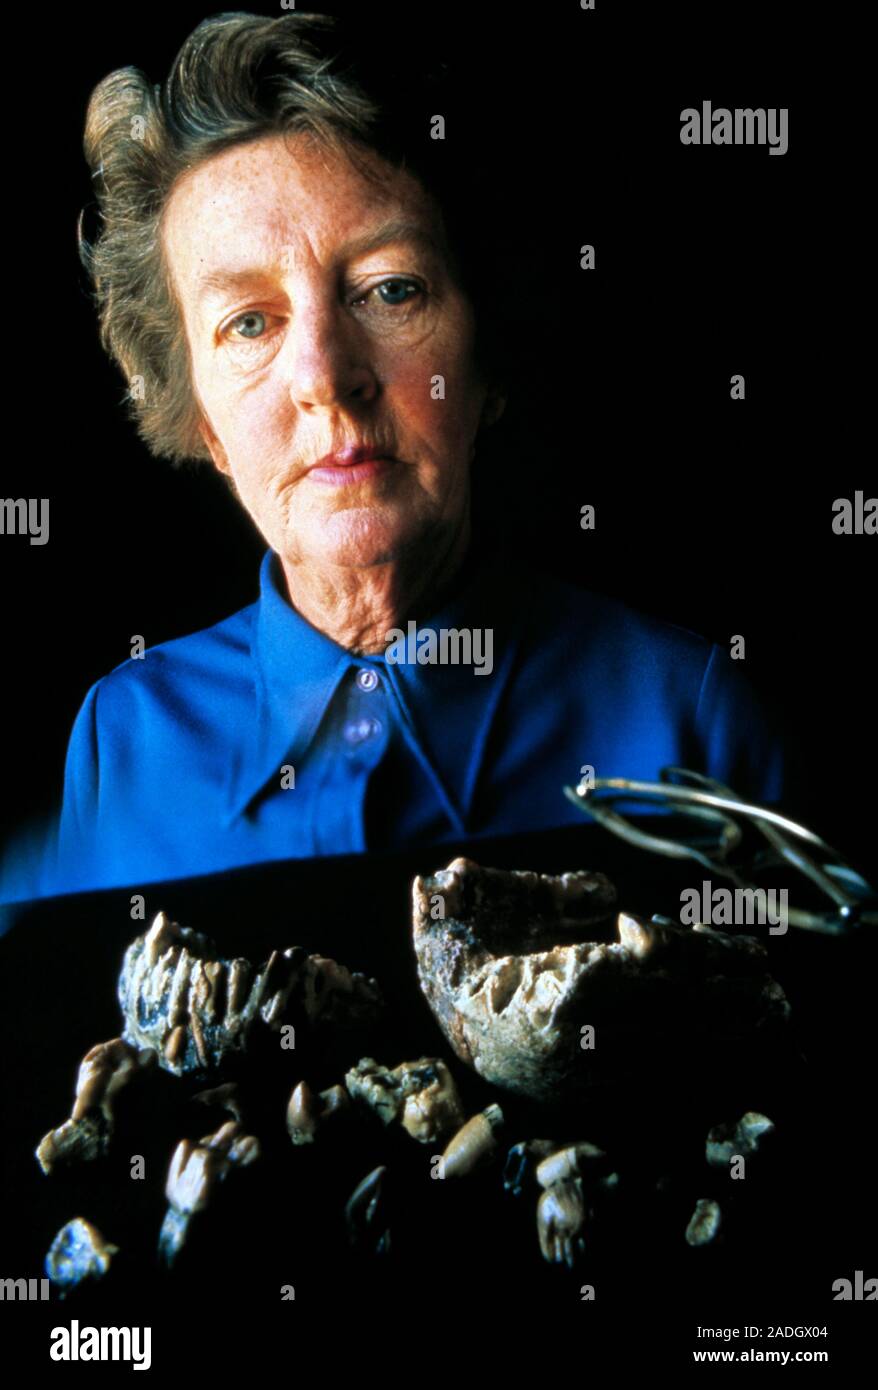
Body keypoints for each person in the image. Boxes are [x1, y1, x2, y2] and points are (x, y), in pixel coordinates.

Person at [0, 12, 787, 903]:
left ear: (488, 359)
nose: (327, 379)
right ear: (205, 426)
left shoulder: (688, 720)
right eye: (249, 323)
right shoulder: (125, 741)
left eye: (390, 291)